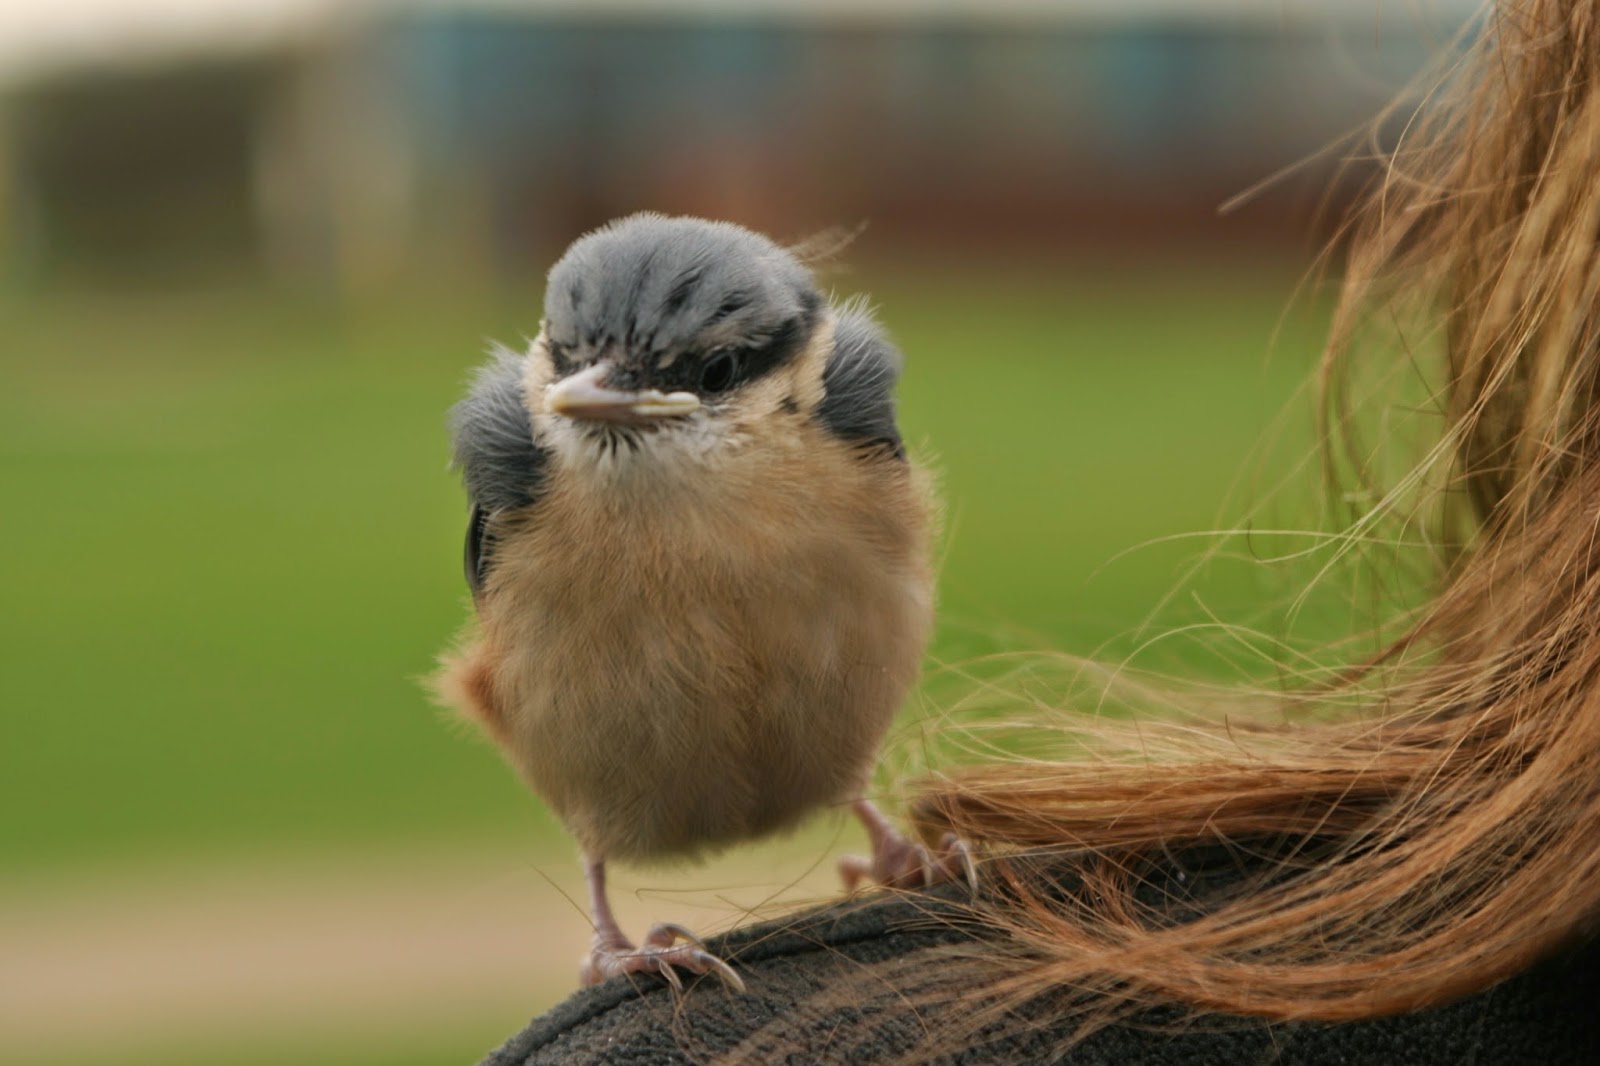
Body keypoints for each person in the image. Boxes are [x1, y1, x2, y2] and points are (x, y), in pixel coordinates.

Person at [484, 1, 1600, 1060]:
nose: (605, 397)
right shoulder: (523, 481)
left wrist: (885, 834)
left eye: (715, 376)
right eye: (575, 367)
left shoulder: (854, 455)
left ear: (790, 376)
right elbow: (499, 673)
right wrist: (607, 930)